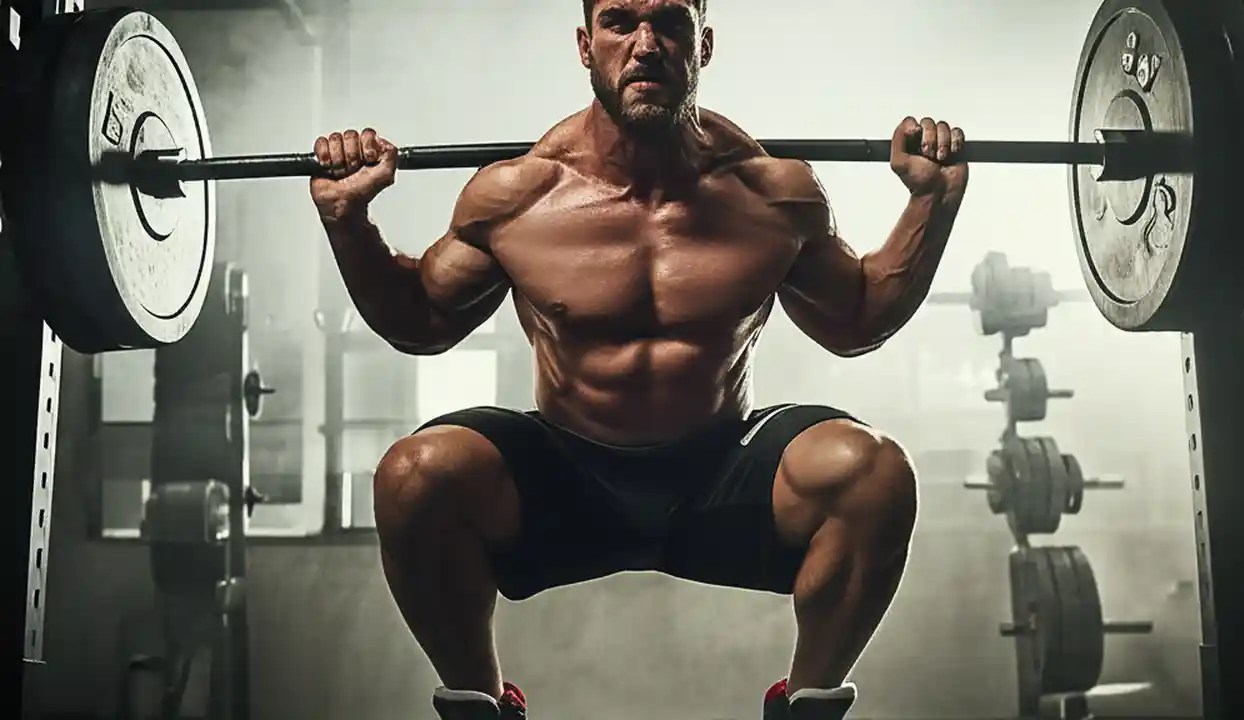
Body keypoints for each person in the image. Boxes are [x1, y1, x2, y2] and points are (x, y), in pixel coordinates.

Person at [310, 1, 967, 718]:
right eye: (621, 21)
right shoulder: (518, 196)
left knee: (874, 471)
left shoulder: (772, 194)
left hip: (721, 473)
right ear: (585, 45)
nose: (646, 44)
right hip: (566, 478)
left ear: (702, 46)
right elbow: (421, 323)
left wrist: (931, 204)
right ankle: (480, 707)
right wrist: (349, 222)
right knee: (413, 475)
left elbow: (856, 321)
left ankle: (807, 707)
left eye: (670, 23)